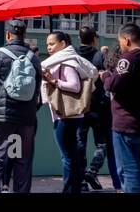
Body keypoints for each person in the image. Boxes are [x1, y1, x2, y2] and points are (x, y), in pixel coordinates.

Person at [0, 20, 41, 194]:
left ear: (8, 35)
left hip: (0, 118)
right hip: (25, 120)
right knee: (22, 162)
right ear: (24, 35)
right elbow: (37, 91)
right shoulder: (34, 58)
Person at [100, 22, 140, 194]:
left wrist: (106, 76)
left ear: (127, 40)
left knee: (129, 171)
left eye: (121, 41)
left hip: (126, 124)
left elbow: (113, 84)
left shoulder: (128, 58)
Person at [41, 30, 98, 194]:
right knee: (71, 154)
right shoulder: (62, 61)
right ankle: (74, 188)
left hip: (67, 114)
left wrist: (54, 81)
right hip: (69, 114)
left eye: (52, 44)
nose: (49, 47)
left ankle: (69, 189)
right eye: (47, 44)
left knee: (67, 156)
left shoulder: (67, 62)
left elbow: (74, 85)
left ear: (63, 44)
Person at [76, 24, 119, 191]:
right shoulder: (99, 56)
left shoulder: (74, 56)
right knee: (102, 144)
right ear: (94, 39)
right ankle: (93, 170)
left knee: (80, 143)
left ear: (79, 38)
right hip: (99, 106)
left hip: (79, 105)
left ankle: (80, 181)